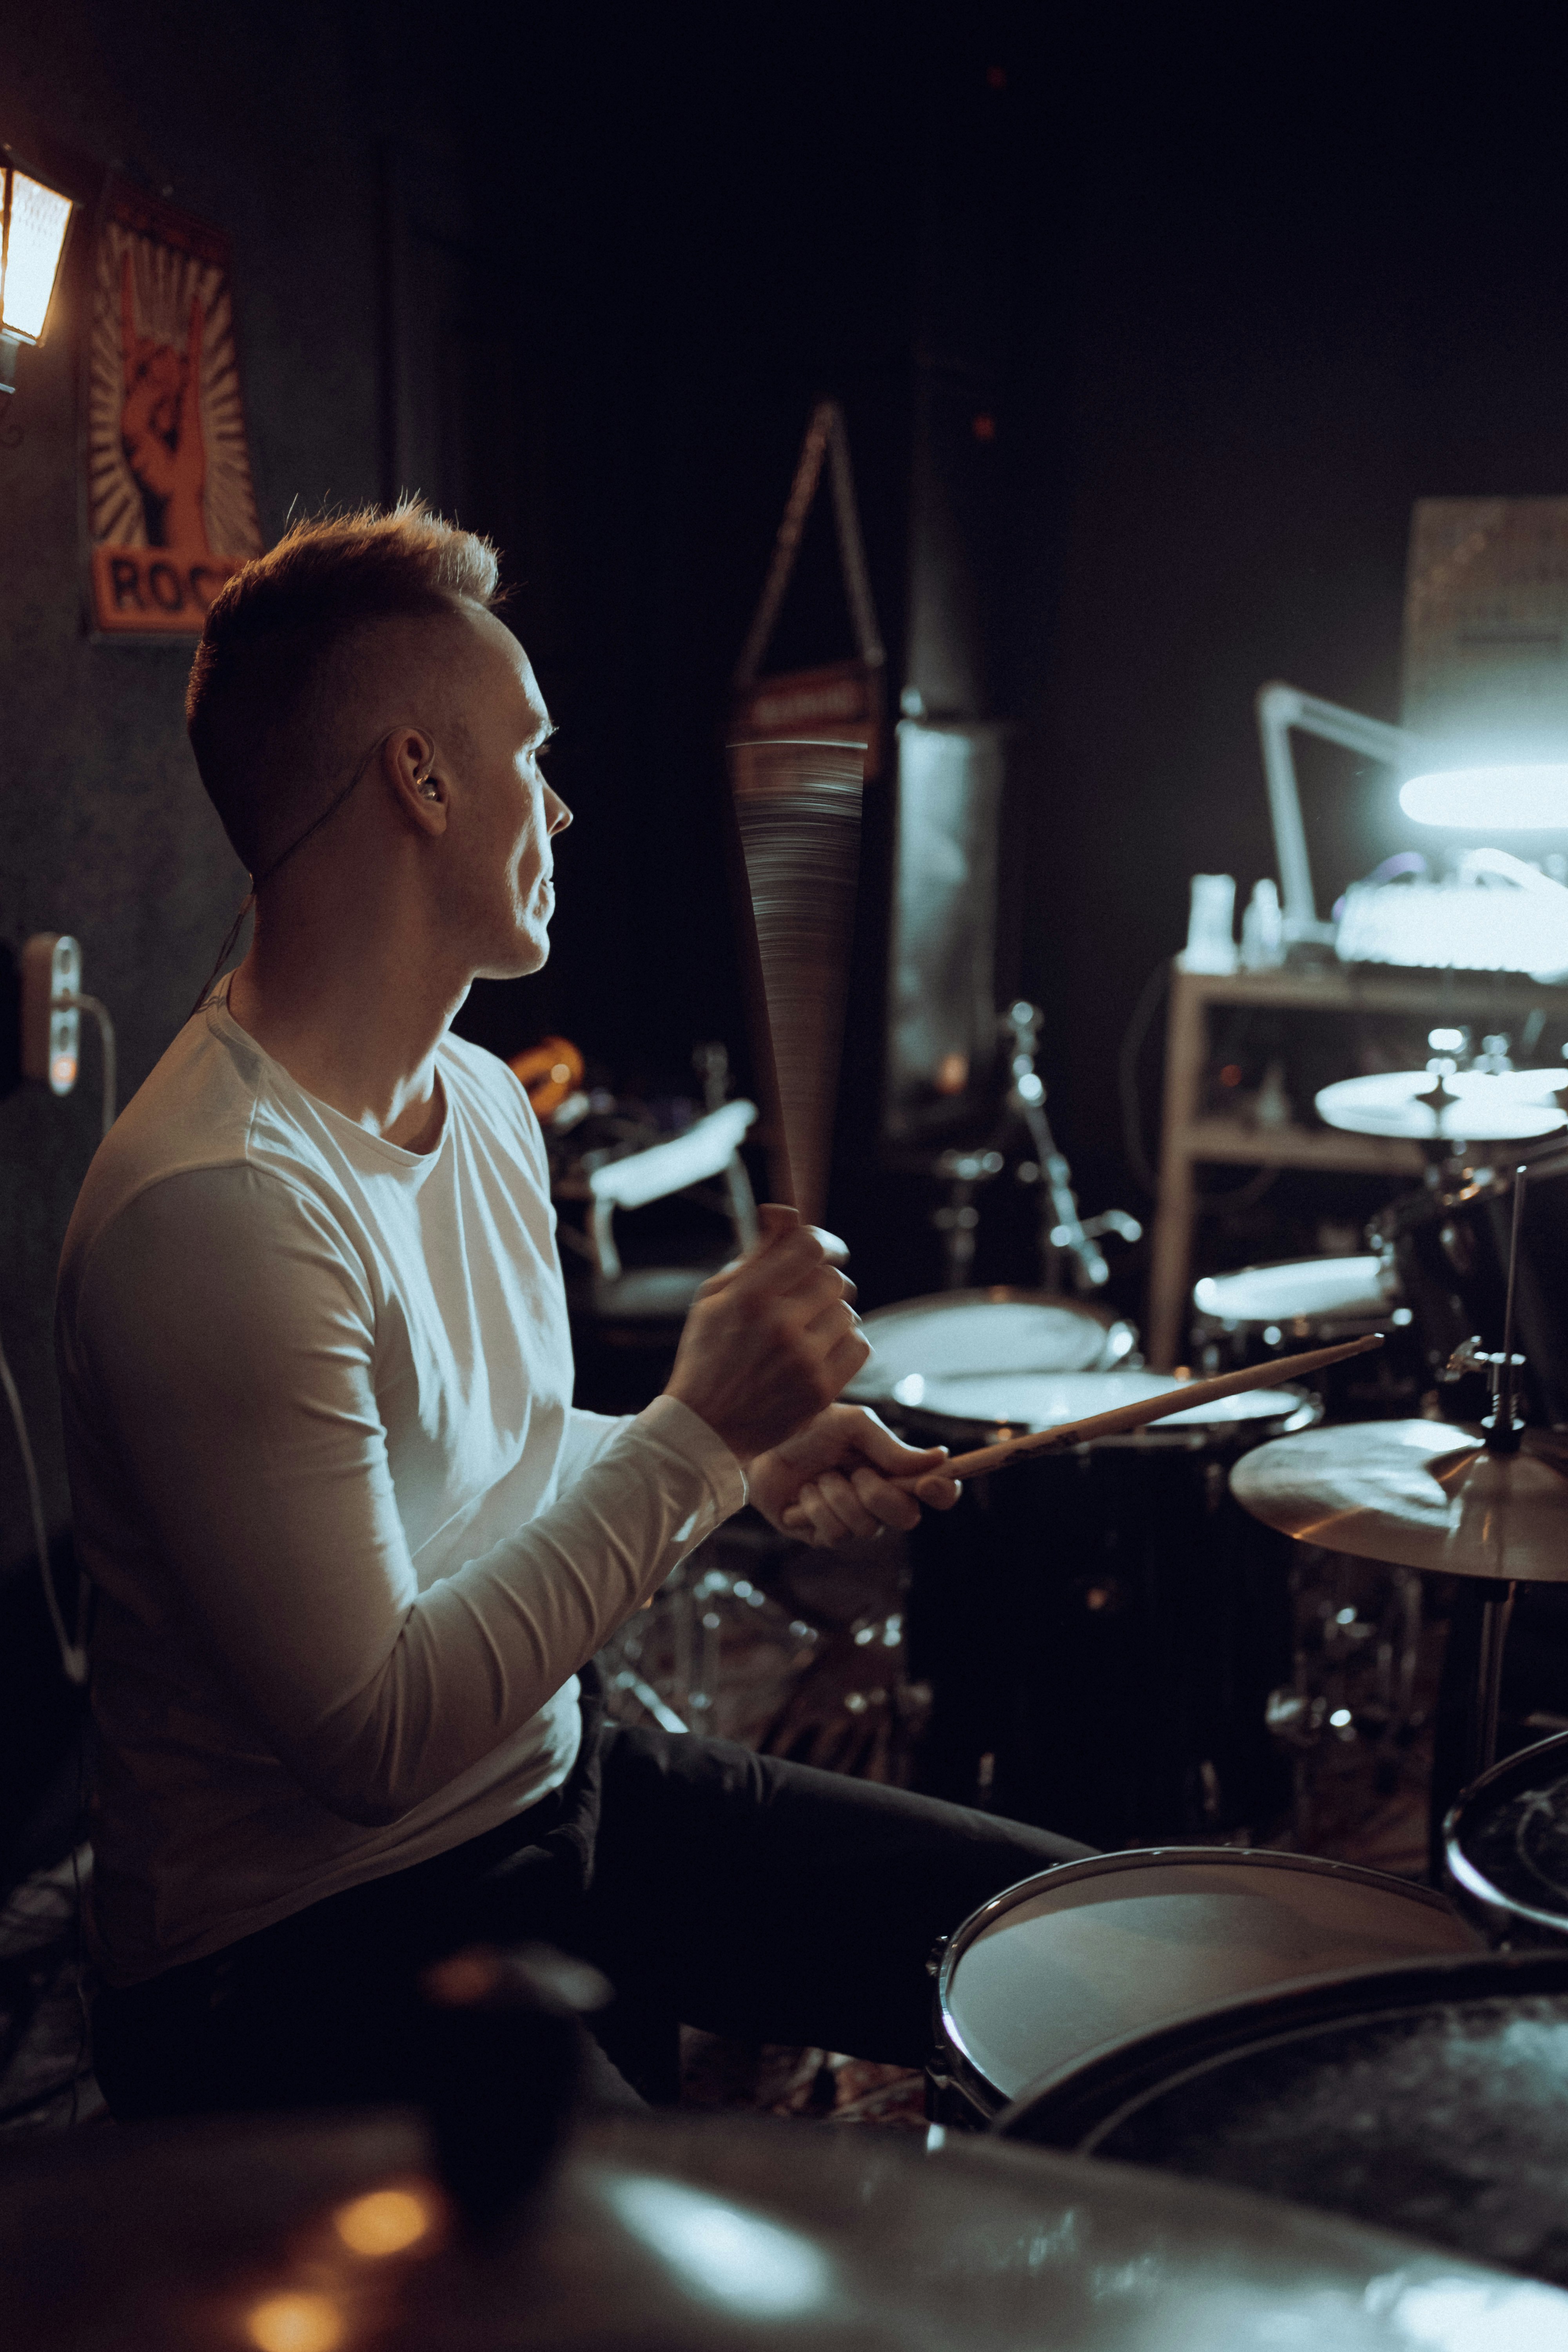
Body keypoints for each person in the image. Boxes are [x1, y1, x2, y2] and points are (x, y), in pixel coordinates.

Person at [58, 503, 1089, 2120]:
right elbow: (375, 1738)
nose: (558, 805)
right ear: (418, 778)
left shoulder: (479, 1097)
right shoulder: (220, 1205)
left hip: (560, 1783)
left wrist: (744, 1458)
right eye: (527, 756)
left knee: (1095, 1954)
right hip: (296, 1950)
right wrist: (693, 1440)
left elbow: (488, 1480)